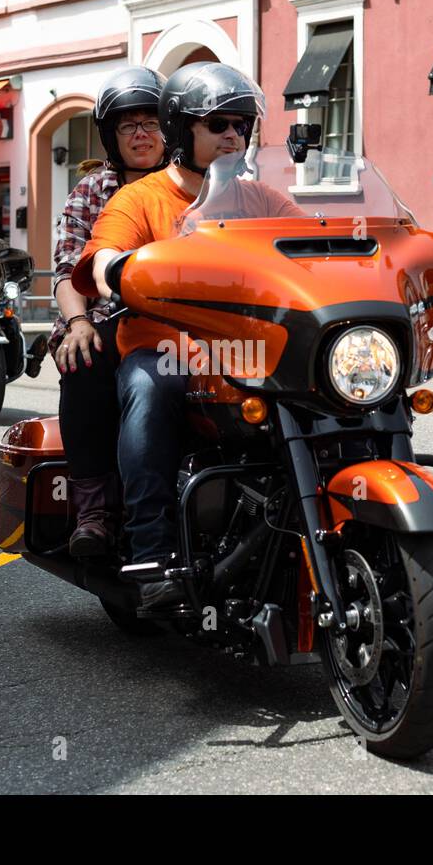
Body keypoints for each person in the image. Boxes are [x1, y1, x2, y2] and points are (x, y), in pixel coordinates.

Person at [72, 62, 302, 607]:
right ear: (182, 131)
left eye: (242, 125)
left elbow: (308, 239)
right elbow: (101, 255)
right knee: (150, 389)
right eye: (218, 124)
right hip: (165, 351)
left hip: (246, 352)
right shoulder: (140, 198)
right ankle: (148, 550)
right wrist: (115, 270)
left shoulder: (259, 199)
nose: (233, 135)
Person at [52, 65, 167, 557]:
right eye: (128, 126)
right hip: (106, 320)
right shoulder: (94, 190)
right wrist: (77, 322)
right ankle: (94, 509)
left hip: (184, 325)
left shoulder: (197, 184)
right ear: (110, 135)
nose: (141, 135)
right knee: (86, 359)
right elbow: (65, 269)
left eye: (151, 123)